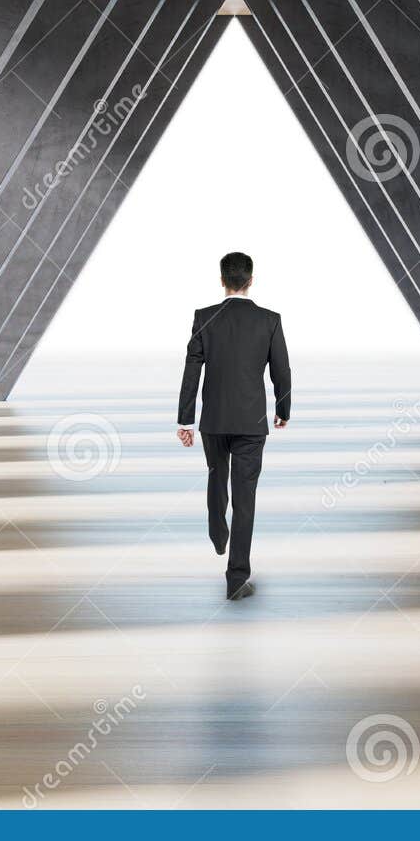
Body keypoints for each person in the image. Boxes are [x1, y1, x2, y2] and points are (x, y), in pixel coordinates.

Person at [176, 252, 291, 600]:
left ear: (222, 280)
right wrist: (283, 409)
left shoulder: (204, 318)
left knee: (215, 474)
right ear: (251, 280)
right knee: (246, 498)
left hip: (213, 420)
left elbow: (192, 370)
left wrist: (185, 420)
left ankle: (216, 530)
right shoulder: (269, 320)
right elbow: (281, 371)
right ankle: (237, 579)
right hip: (252, 423)